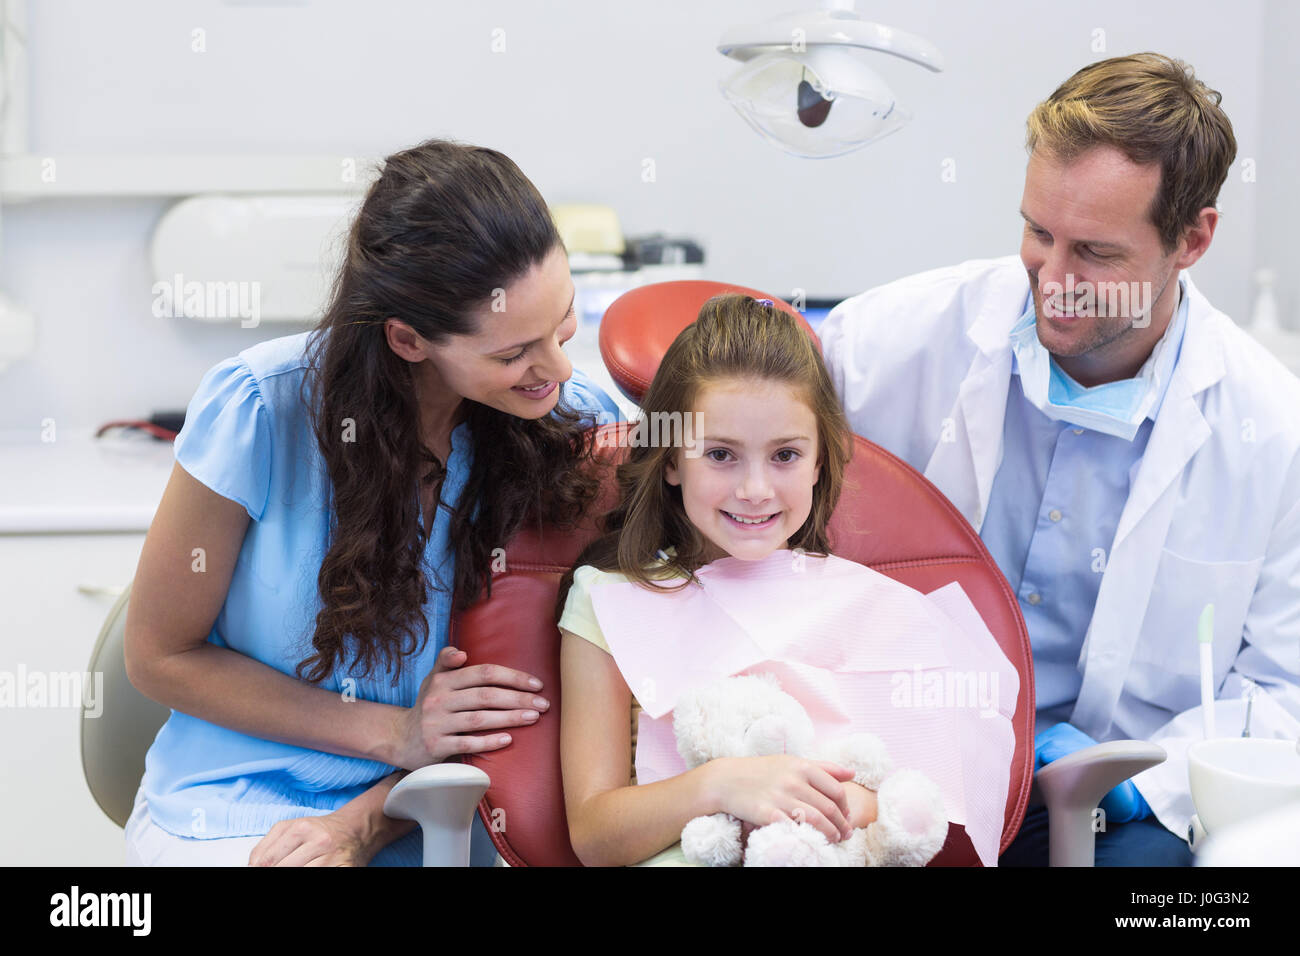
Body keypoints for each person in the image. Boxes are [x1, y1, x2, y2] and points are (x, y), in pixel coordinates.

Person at [819, 53, 1300, 866]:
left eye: (1097, 254)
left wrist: (1146, 780)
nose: (1055, 279)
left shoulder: (1272, 433)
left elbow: (1286, 690)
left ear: (1192, 240)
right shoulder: (880, 347)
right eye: (1039, 233)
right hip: (886, 758)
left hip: (1116, 797)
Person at [123, 139, 623, 866]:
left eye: (564, 321)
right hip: (239, 800)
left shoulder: (574, 428)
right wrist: (393, 731)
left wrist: (365, 817)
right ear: (409, 340)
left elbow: (545, 701)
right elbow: (160, 656)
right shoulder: (262, 410)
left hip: (462, 803)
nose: (556, 368)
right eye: (513, 353)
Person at [557, 294, 1012, 867]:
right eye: (721, 454)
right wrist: (724, 784)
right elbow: (594, 836)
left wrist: (827, 800)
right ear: (671, 459)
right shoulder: (609, 601)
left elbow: (912, 798)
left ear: (821, 461)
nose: (754, 489)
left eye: (785, 456)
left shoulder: (861, 604)